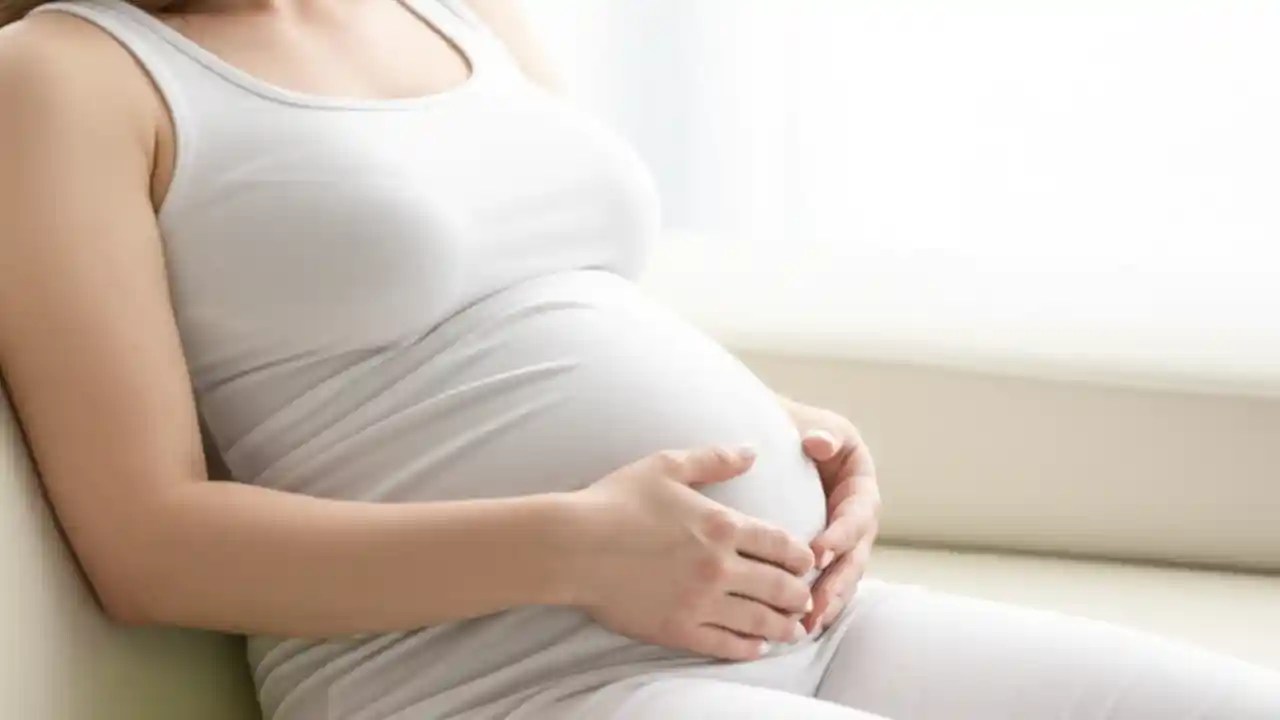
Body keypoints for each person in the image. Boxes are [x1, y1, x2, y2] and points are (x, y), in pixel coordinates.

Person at [0, 1, 1276, 717]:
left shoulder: (453, 9)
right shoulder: (70, 75)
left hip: (786, 625)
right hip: (512, 691)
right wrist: (577, 544)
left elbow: (538, 311)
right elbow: (144, 543)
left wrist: (788, 438)